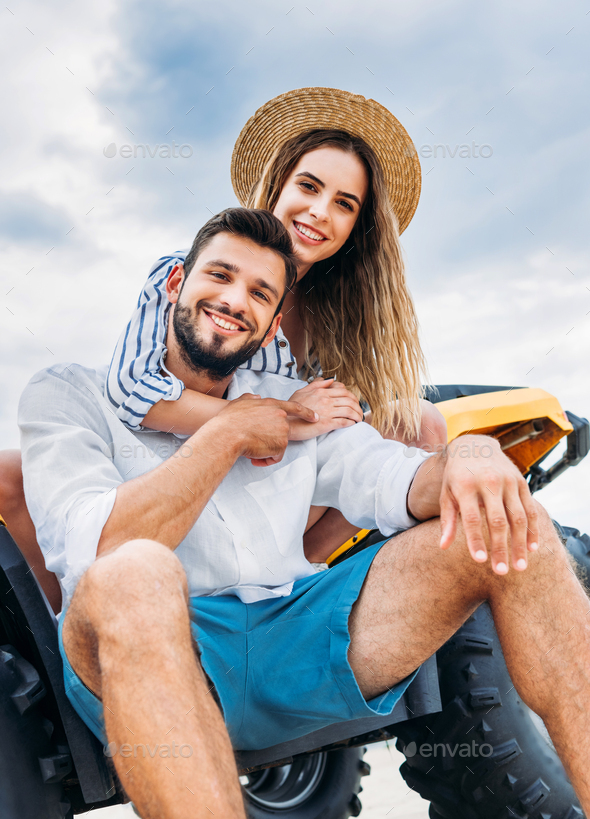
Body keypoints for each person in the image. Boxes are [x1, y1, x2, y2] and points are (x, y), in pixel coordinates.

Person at [19, 208, 590, 819]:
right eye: (220, 276)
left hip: (298, 640)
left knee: (501, 515)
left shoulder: (296, 406)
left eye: (261, 294)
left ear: (269, 323)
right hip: (147, 654)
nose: (236, 301)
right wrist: (229, 432)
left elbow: (392, 477)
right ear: (175, 281)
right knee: (134, 571)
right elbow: (99, 546)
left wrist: (469, 459)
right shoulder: (69, 395)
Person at [0, 88, 447, 613]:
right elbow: (134, 394)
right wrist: (281, 420)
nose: (320, 212)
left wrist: (302, 428)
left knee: (420, 424)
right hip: (166, 456)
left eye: (344, 204)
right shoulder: (184, 275)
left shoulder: (340, 319)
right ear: (278, 183)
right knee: (12, 472)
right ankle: (65, 623)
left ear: (355, 229)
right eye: (309, 185)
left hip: (268, 482)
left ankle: (294, 579)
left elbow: (345, 435)